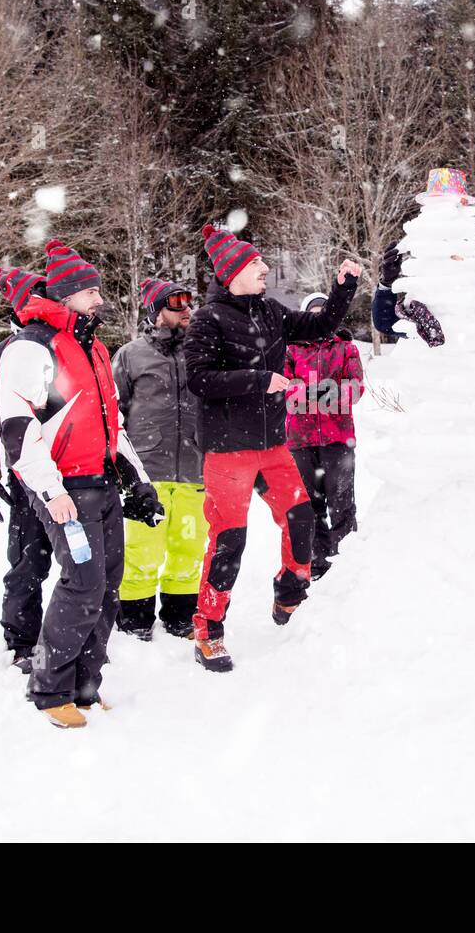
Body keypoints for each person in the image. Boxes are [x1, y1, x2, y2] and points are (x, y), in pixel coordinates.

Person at [0, 240, 165, 728]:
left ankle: (87, 686)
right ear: (64, 296)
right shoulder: (32, 347)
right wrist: (52, 491)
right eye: (89, 292)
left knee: (108, 587)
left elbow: (115, 427)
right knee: (82, 585)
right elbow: (18, 430)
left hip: (102, 484)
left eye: (97, 290)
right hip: (65, 490)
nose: (99, 300)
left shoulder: (94, 346)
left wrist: (140, 485)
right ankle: (50, 689)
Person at [183, 224, 360, 672]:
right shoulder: (208, 318)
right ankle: (207, 629)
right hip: (229, 450)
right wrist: (260, 380)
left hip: (274, 446)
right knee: (229, 541)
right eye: (256, 263)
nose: (265, 268)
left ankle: (289, 593)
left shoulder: (269, 311)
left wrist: (342, 291)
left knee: (301, 521)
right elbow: (200, 379)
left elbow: (319, 328)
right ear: (233, 272)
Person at [111, 277, 207, 641]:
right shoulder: (131, 355)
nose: (186, 310)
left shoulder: (201, 350)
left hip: (195, 469)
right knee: (141, 552)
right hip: (148, 472)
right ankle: (134, 621)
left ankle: (180, 617)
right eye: (176, 304)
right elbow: (112, 412)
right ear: (156, 313)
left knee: (189, 548)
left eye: (188, 303)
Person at [0, 272, 53, 675]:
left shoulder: (68, 347)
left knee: (87, 567)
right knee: (28, 565)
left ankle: (83, 640)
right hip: (27, 480)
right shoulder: (0, 357)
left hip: (77, 475)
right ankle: (22, 642)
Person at [284, 292, 365, 578]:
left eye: (324, 312)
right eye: (313, 313)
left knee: (341, 501)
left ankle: (346, 560)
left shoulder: (346, 349)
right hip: (300, 440)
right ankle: (318, 562)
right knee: (309, 504)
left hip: (338, 439)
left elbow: (355, 390)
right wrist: (317, 393)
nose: (319, 318)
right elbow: (284, 390)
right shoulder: (291, 349)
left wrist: (318, 393)